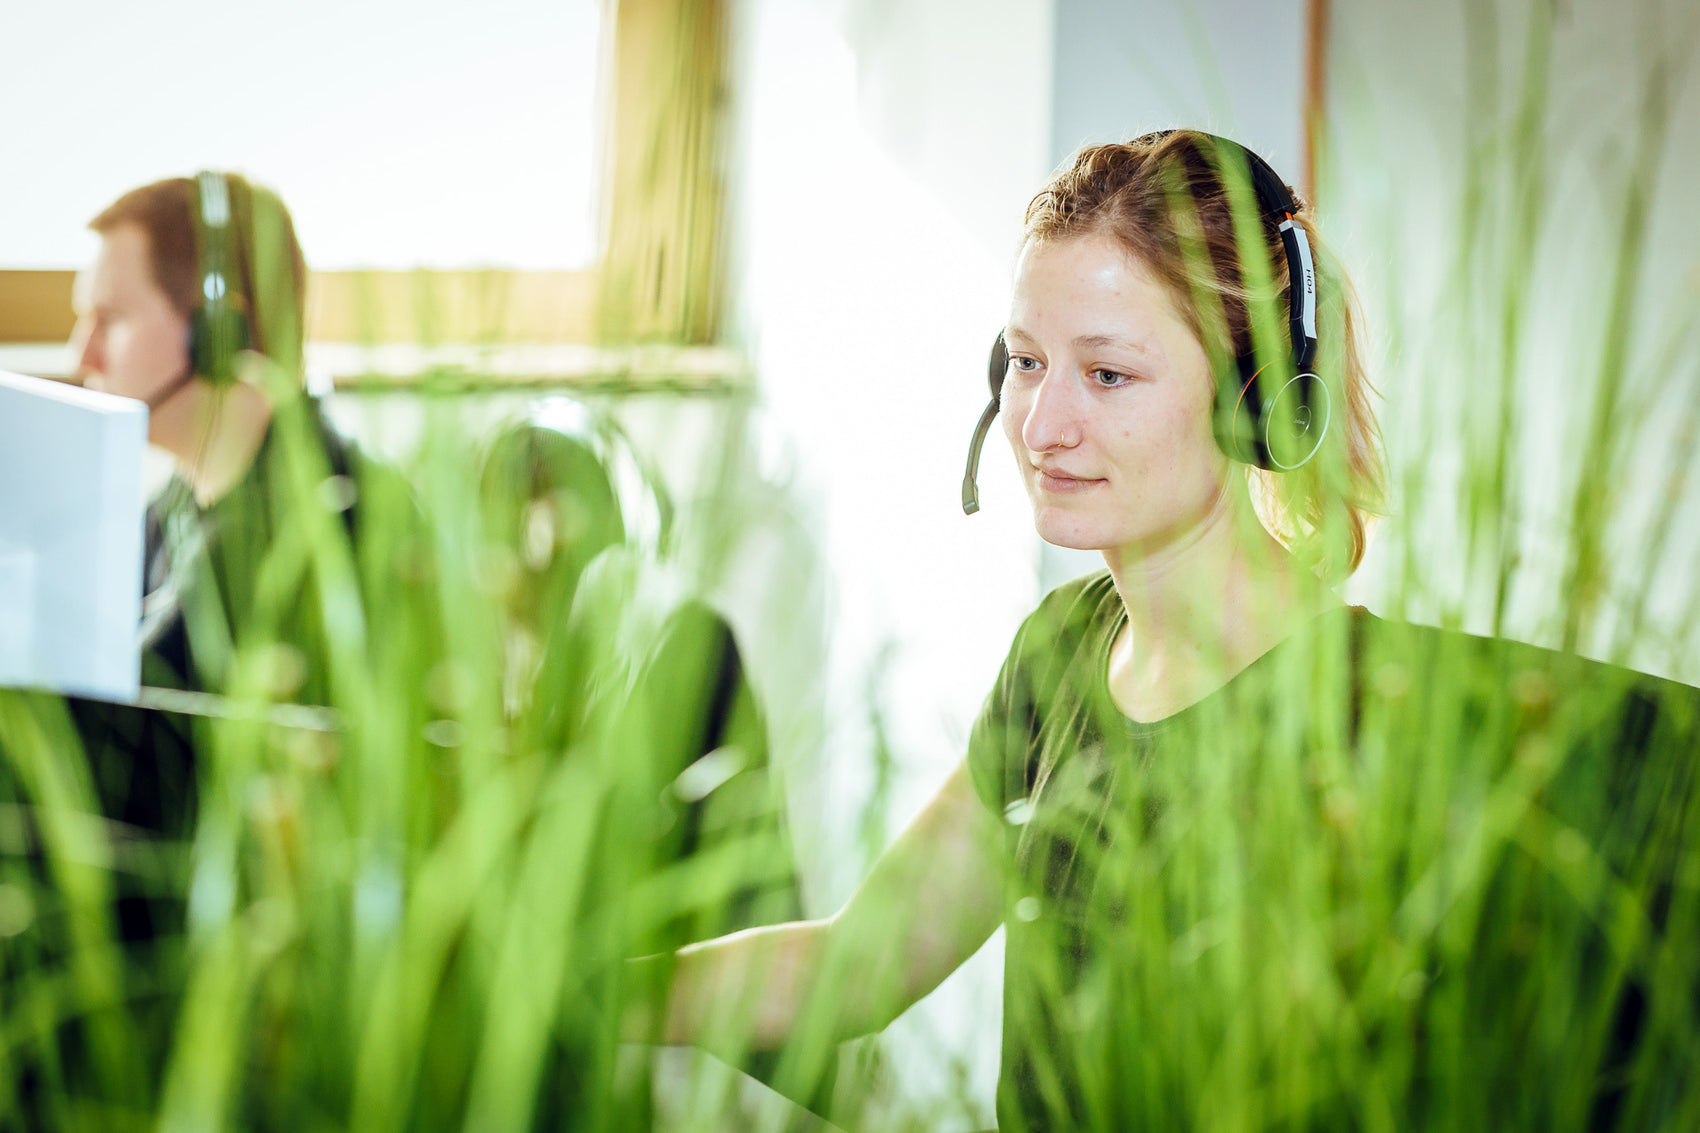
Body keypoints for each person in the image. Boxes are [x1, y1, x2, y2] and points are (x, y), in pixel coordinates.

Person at [626, 130, 1700, 1130]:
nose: (1042, 426)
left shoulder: (1362, 719)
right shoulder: (1057, 654)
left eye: (1107, 373)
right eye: (1025, 361)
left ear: (1255, 399)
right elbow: (857, 964)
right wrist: (592, 990)